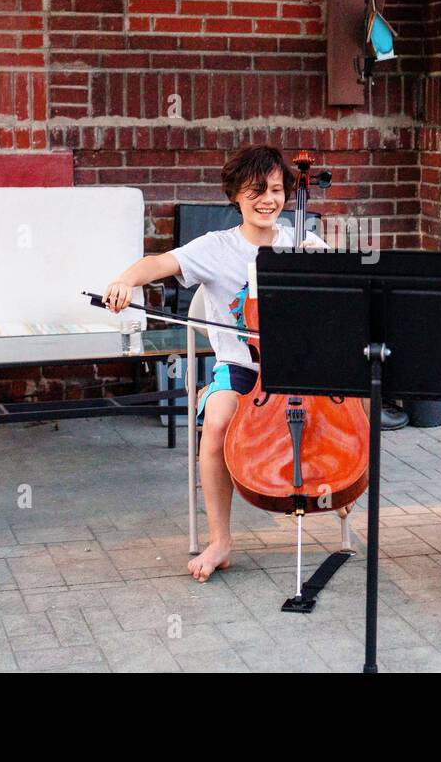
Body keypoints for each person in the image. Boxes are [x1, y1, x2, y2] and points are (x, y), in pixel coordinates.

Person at [102, 145, 325, 581]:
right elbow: (158, 263)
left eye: (277, 190)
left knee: (354, 404)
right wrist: (124, 281)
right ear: (236, 196)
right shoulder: (216, 248)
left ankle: (340, 485)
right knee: (219, 419)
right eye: (256, 190)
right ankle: (221, 539)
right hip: (243, 365)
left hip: (301, 366)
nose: (268, 200)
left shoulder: (305, 243)